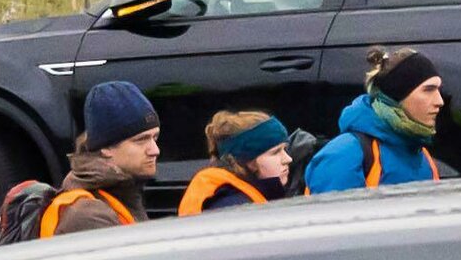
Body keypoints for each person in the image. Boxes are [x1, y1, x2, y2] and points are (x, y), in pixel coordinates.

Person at [302, 48, 444, 195]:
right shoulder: (345, 155)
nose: (440, 101)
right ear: (397, 96)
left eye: (439, 90)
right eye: (428, 90)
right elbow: (331, 217)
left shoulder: (423, 156)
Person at [39, 80, 160, 238]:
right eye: (141, 140)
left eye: (155, 138)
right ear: (106, 148)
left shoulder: (122, 193)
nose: (155, 150)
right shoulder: (87, 216)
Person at [179, 111, 296, 214]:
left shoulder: (242, 197)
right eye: (275, 152)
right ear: (248, 161)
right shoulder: (233, 208)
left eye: (284, 149)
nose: (288, 159)